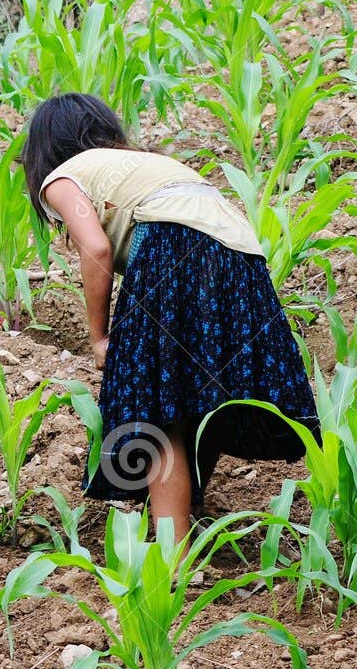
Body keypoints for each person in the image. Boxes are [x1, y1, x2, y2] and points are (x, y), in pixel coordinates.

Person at [19, 93, 319, 540]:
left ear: (45, 149)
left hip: (170, 243)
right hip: (241, 256)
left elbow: (96, 248)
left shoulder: (62, 178)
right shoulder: (140, 163)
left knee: (158, 411)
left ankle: (171, 557)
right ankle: (179, 517)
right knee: (198, 397)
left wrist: (100, 338)